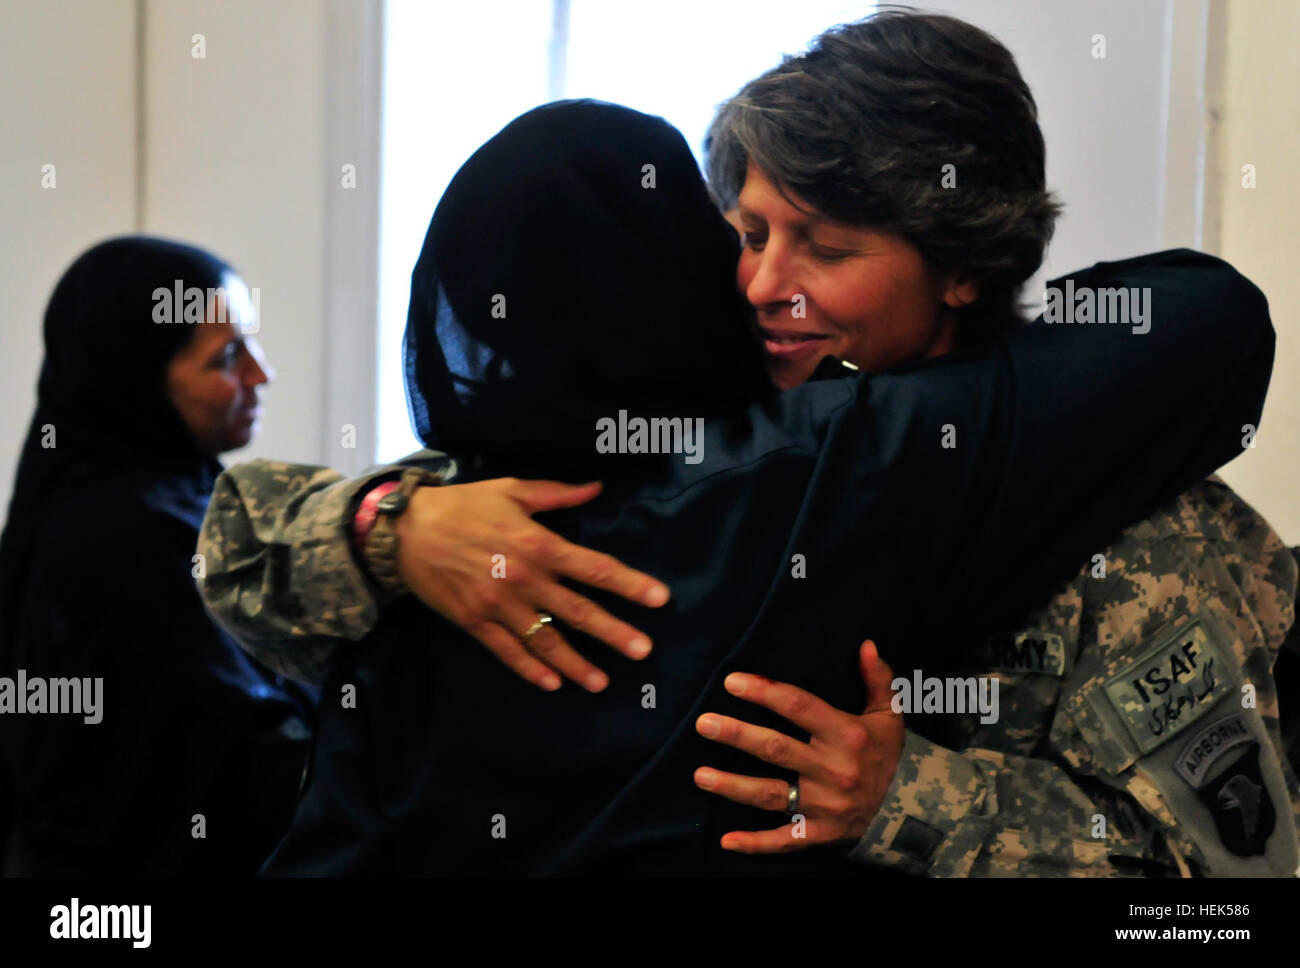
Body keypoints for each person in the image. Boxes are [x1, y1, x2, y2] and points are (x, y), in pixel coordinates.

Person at [200, 13, 1297, 876]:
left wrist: (912, 799)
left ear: (961, 263)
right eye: (749, 232)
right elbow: (241, 568)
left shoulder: (1139, 522)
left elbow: (1224, 879)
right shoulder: (653, 439)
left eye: (826, 245)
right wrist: (392, 526)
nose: (767, 287)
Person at [0, 237, 316, 876]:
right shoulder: (124, 533)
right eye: (227, 358)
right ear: (138, 381)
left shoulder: (162, 496)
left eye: (250, 343)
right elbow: (236, 752)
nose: (262, 373)